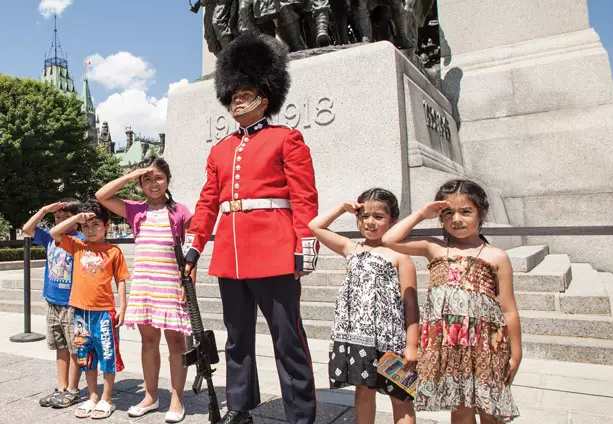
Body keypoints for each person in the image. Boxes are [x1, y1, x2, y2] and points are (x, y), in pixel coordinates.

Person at [184, 31, 319, 424]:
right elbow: (209, 202)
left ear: (265, 96)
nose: (236, 98)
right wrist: (194, 248)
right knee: (236, 338)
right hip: (231, 256)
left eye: (245, 91)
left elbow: (304, 198)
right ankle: (240, 406)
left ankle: (300, 415)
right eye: (233, 93)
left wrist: (304, 246)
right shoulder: (220, 150)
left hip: (275, 252)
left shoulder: (286, 139)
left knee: (288, 339)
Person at [382, 180, 521, 423]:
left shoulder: (496, 256)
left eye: (466, 211)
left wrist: (516, 352)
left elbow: (508, 309)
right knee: (461, 408)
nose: (456, 219)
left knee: (491, 410)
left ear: (482, 213)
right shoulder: (434, 248)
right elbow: (390, 239)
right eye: (448, 213)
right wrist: (421, 214)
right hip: (451, 344)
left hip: (488, 346)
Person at [308, 189, 418, 424]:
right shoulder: (352, 249)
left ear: (393, 220)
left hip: (392, 342)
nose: (370, 222)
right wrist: (341, 208)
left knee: (401, 397)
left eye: (378, 217)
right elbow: (316, 226)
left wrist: (412, 345)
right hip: (358, 340)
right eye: (364, 216)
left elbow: (410, 302)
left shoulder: (400, 256)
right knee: (363, 392)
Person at [96, 157, 193, 422]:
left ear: (168, 180)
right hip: (145, 285)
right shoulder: (135, 210)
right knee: (148, 342)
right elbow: (102, 196)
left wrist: (189, 281)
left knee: (176, 343)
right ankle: (151, 396)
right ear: (140, 184)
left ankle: (177, 398)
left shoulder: (181, 211)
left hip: (171, 284)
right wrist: (131, 175)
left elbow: (192, 249)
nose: (153, 184)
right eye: (147, 180)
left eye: (158, 178)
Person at [50, 200, 129, 420]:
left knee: (108, 355)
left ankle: (107, 397)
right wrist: (76, 218)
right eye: (87, 226)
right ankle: (93, 396)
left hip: (104, 312)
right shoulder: (77, 245)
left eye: (96, 224)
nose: (91, 230)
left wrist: (123, 306)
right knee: (86, 357)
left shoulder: (114, 251)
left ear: (106, 225)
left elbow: (121, 279)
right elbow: (54, 234)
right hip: (80, 313)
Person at [23, 199, 85, 410]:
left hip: (73, 303)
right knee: (60, 346)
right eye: (57, 218)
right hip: (53, 300)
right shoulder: (49, 239)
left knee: (76, 347)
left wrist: (76, 219)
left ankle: (74, 390)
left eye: (65, 218)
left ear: (76, 220)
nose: (59, 221)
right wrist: (43, 209)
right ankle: (62, 387)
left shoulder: (81, 239)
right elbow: (27, 229)